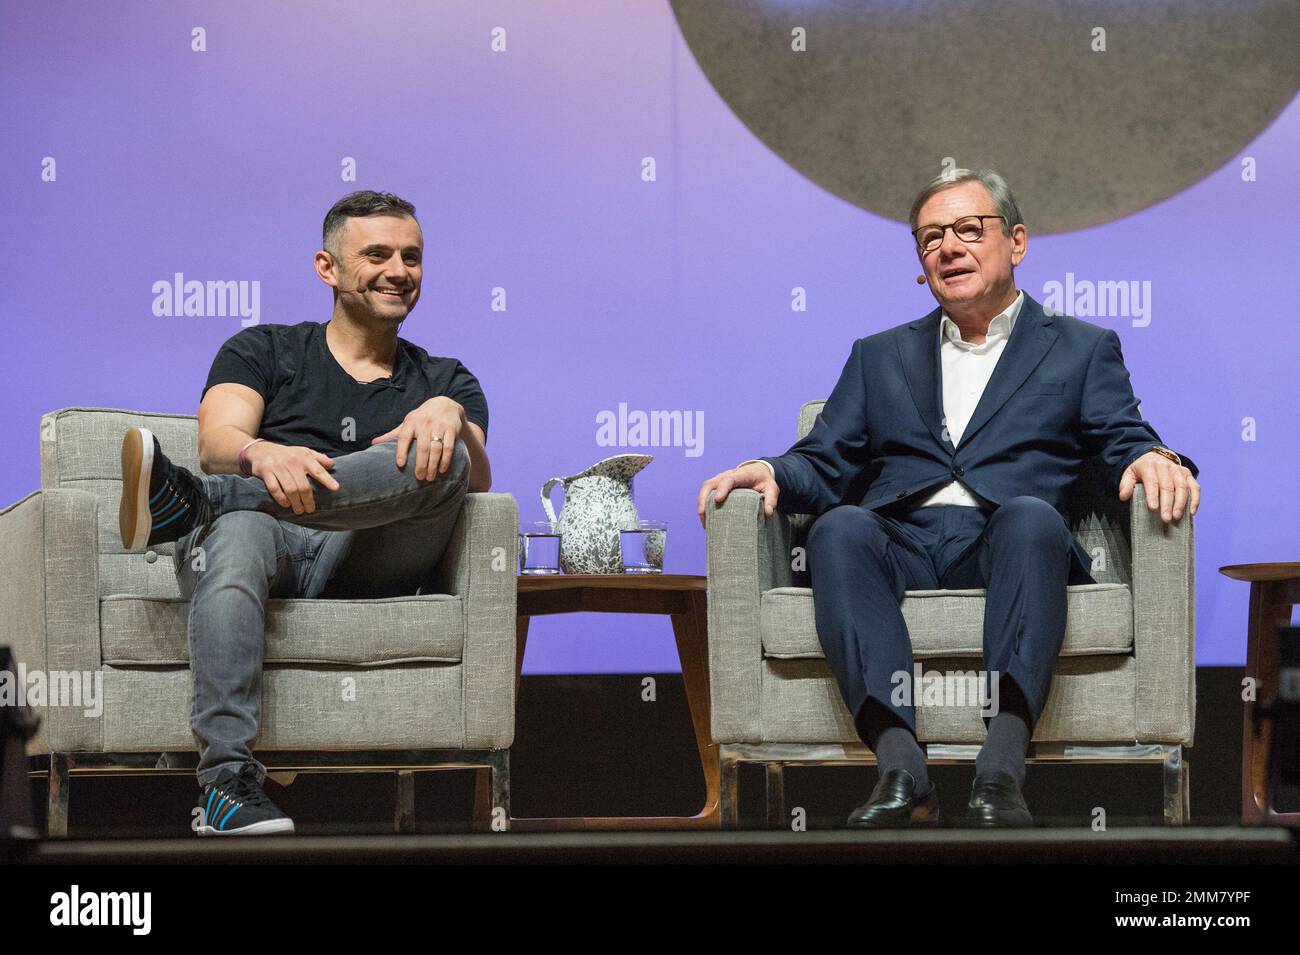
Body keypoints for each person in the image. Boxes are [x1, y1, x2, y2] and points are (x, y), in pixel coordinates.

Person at [697, 168, 1201, 828]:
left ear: (1016, 242)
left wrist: (1151, 457)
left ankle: (1000, 769)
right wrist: (770, 469)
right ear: (919, 263)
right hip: (903, 540)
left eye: (969, 229)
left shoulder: (1079, 348)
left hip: (1011, 541)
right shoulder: (879, 356)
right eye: (931, 237)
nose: (949, 246)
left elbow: (1120, 435)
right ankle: (902, 768)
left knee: (1028, 517)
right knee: (841, 529)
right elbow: (825, 460)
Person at [117, 190, 492, 835]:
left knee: (449, 457)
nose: (398, 270)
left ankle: (193, 505)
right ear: (328, 267)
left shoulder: (444, 377)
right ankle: (225, 785)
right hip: (266, 540)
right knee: (234, 535)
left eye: (412, 256)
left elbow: (474, 485)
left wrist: (450, 417)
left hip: (367, 556)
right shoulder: (265, 347)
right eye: (376, 254)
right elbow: (216, 442)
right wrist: (261, 454)